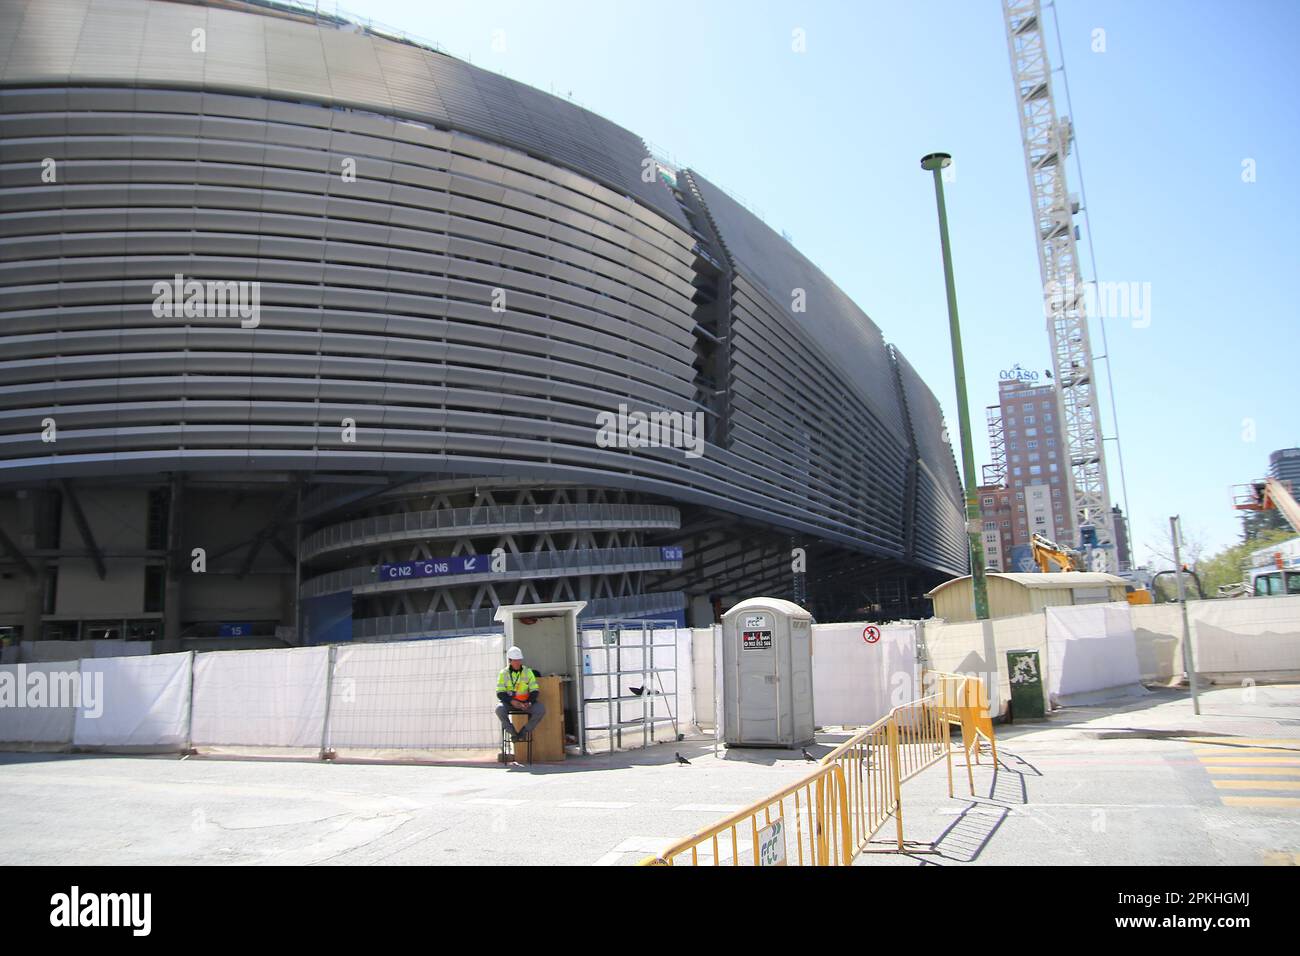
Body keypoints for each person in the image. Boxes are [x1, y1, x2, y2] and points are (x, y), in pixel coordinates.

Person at [495, 646, 545, 742]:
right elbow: (500, 692)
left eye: (519, 660)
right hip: (510, 704)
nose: (518, 662)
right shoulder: (503, 673)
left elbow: (535, 690)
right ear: (510, 660)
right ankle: (513, 733)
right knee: (499, 709)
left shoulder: (528, 672)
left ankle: (523, 732)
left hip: (526, 703)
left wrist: (529, 702)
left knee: (540, 709)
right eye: (515, 660)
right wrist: (511, 701)